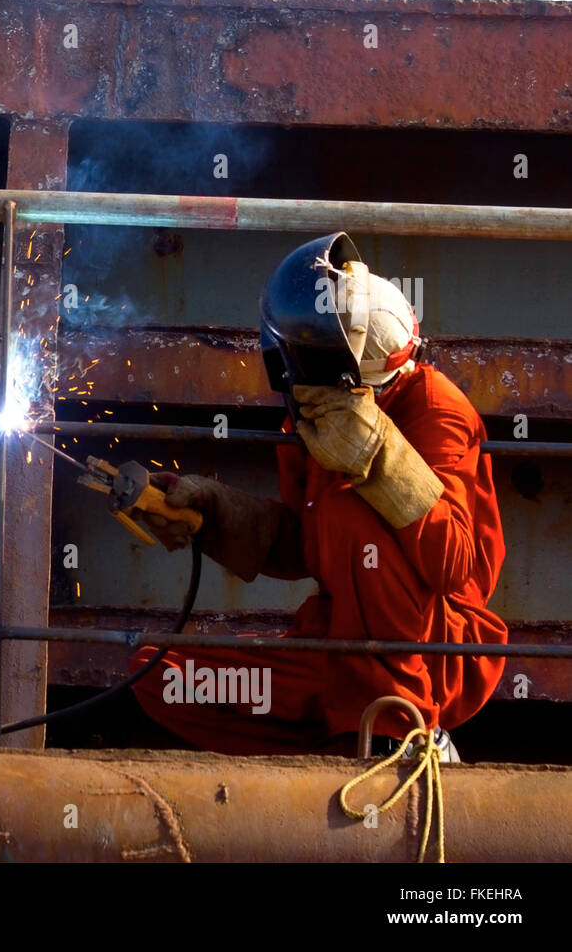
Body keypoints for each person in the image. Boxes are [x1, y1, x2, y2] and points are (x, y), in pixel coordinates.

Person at [133, 233, 506, 759]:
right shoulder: (313, 415)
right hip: (337, 646)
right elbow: (308, 544)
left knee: (351, 506)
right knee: (162, 676)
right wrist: (209, 513)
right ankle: (333, 740)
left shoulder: (437, 408)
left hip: (433, 650)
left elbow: (454, 565)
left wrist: (379, 457)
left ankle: (404, 733)